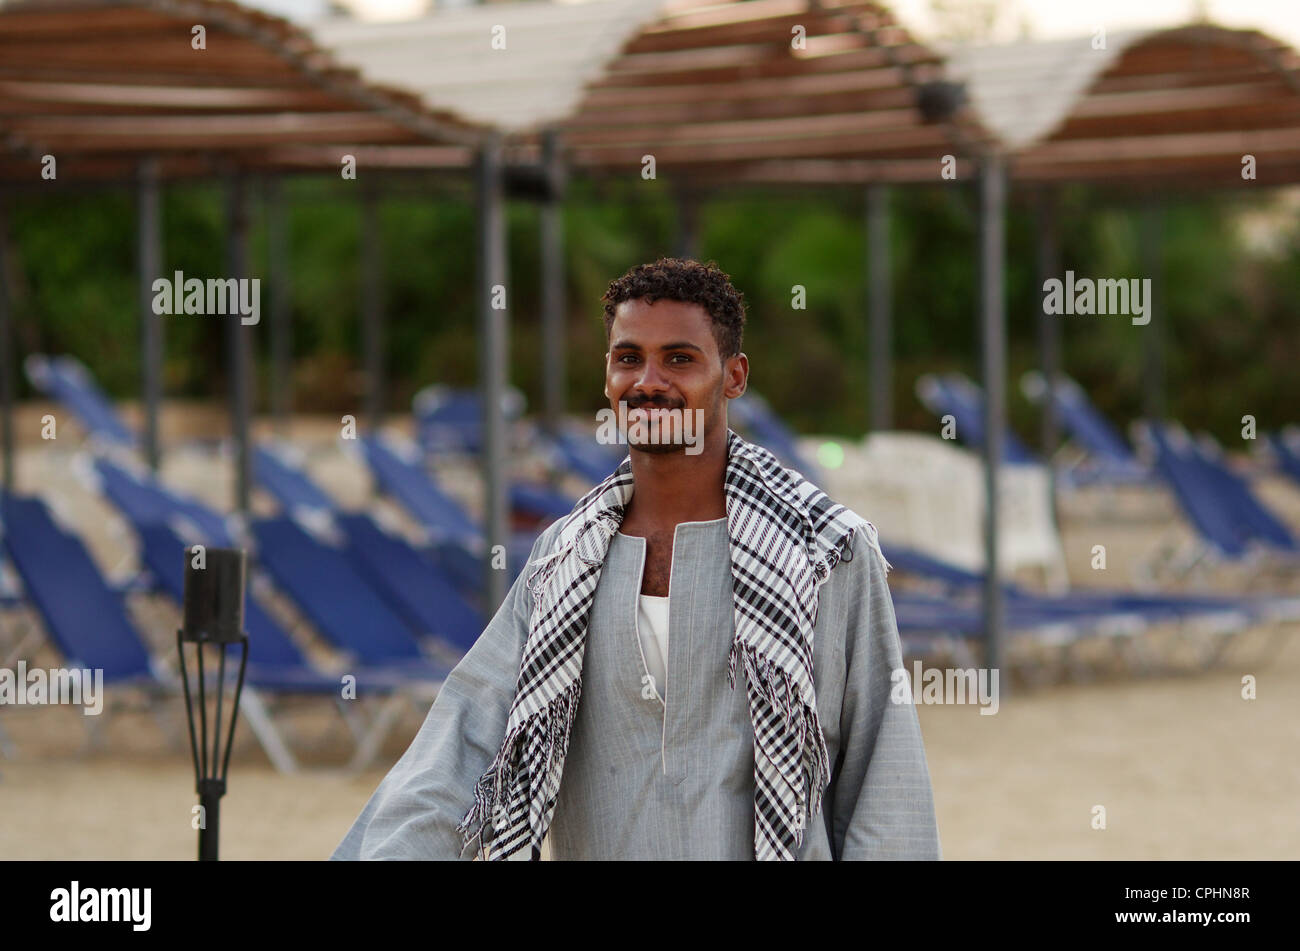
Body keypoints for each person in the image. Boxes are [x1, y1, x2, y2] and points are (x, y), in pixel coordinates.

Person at [332, 258, 940, 861]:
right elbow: (462, 742)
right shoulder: (564, 557)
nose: (649, 380)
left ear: (733, 376)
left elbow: (884, 776)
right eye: (629, 358)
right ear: (607, 377)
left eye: (680, 358)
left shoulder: (825, 552)